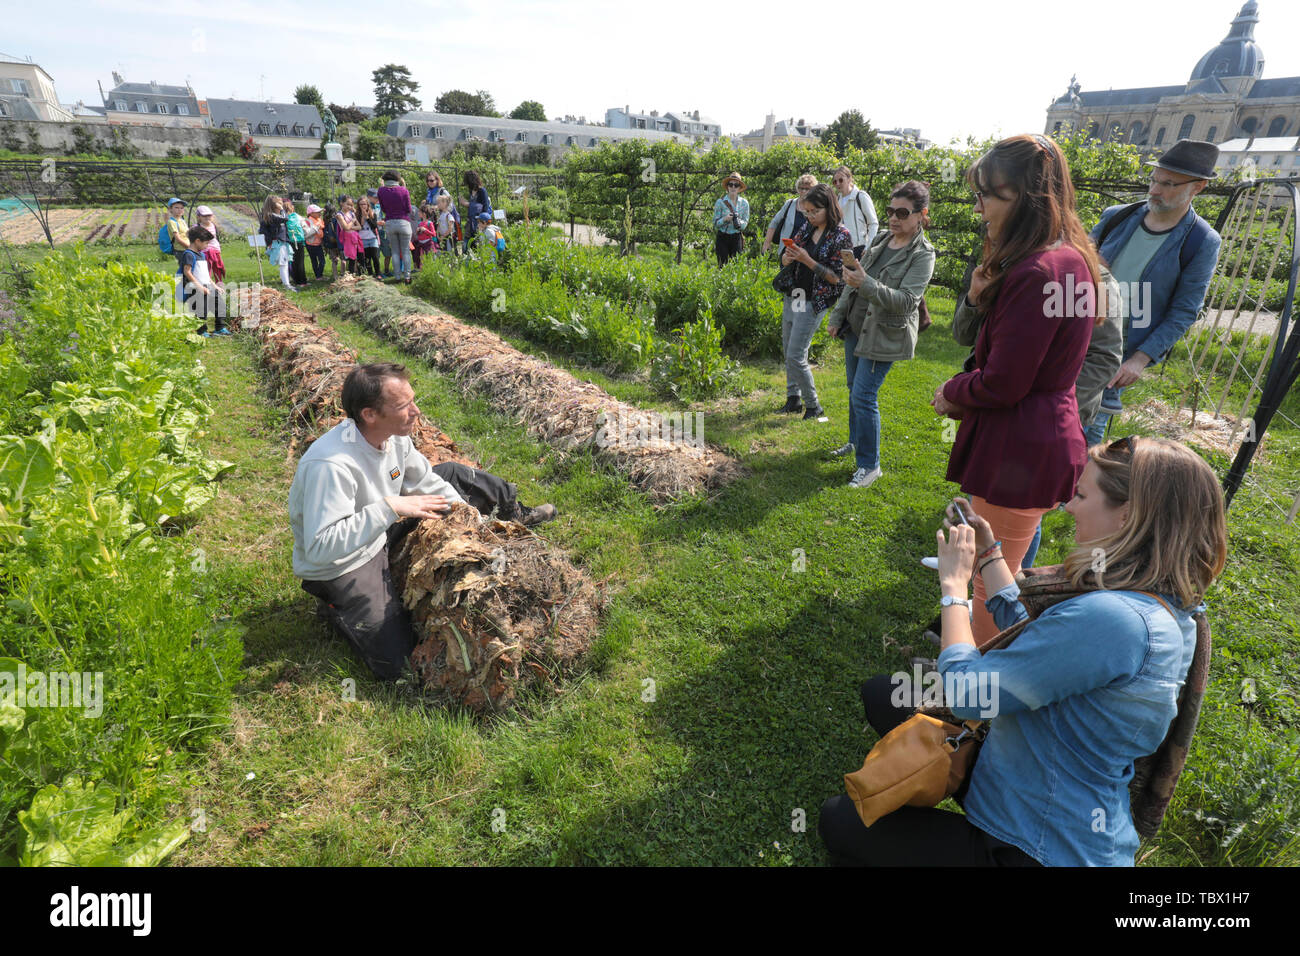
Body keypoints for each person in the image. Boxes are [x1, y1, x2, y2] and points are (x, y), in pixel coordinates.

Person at [819, 437, 1227, 866]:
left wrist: (954, 591)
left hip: (1041, 842)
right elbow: (1040, 639)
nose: (1068, 506)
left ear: (1128, 515)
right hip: (1027, 773)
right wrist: (988, 555)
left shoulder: (1117, 620)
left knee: (840, 822)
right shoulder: (1162, 603)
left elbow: (968, 694)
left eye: (1083, 495)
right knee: (885, 694)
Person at [931, 134, 1102, 646]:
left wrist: (954, 389)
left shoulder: (1037, 271)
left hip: (1019, 447)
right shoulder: (1067, 260)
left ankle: (972, 700)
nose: (979, 208)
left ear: (1029, 199)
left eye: (991, 196)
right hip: (1039, 435)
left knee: (988, 578)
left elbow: (1005, 381)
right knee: (1001, 568)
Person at [288, 363, 558, 681]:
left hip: (383, 524)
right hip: (343, 560)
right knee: (399, 665)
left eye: (412, 400)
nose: (416, 411)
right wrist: (390, 507)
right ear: (370, 414)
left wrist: (468, 518)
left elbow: (426, 482)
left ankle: (514, 513)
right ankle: (335, 607)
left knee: (456, 476)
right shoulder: (331, 465)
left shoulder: (395, 436)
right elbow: (321, 548)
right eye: (403, 406)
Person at [1084, 139, 1223, 447]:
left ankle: (1074, 495)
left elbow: (1185, 310)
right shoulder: (1116, 216)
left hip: (1117, 351)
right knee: (1044, 415)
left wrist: (1140, 359)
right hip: (1076, 329)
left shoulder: (1201, 241)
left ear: (1198, 187)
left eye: (1168, 184)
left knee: (1088, 434)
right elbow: (1076, 264)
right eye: (1154, 180)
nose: (1154, 191)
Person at [827, 181, 936, 489]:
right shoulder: (882, 239)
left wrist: (866, 284)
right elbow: (853, 281)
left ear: (921, 215)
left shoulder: (923, 254)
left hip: (884, 333)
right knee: (853, 388)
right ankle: (854, 441)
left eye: (903, 212)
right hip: (856, 326)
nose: (894, 217)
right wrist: (838, 315)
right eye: (890, 210)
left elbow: (906, 301)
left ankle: (870, 464)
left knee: (864, 394)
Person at [778, 183, 852, 420]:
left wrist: (807, 260)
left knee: (796, 353)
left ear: (828, 208)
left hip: (815, 300)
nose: (809, 216)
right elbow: (787, 255)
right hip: (795, 294)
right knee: (789, 347)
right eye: (807, 212)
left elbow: (836, 278)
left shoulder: (841, 236)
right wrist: (787, 258)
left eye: (814, 212)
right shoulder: (807, 229)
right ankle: (793, 399)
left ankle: (814, 406)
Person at [178, 225, 228, 337]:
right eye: (206, 243)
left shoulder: (201, 255)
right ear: (197, 241)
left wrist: (215, 286)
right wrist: (200, 287)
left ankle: (220, 328)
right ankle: (202, 331)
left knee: (219, 305)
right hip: (196, 288)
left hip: (207, 286)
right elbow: (187, 272)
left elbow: (205, 273)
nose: (207, 246)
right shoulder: (189, 254)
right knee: (201, 310)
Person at [761, 174, 816, 255]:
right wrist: (767, 243)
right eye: (801, 188)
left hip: (807, 253)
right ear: (798, 189)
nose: (804, 191)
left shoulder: (816, 207)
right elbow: (774, 223)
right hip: (786, 251)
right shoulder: (790, 204)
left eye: (807, 189)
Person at [831, 166, 879, 258]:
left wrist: (868, 247)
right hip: (843, 250)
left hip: (861, 248)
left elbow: (873, 223)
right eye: (835, 181)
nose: (837, 184)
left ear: (849, 179)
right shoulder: (837, 200)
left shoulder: (861, 196)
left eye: (841, 180)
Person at [377, 170, 414, 284]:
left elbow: (383, 208)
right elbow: (408, 209)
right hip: (403, 222)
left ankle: (397, 277)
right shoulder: (403, 190)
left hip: (390, 223)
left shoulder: (381, 190)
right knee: (406, 251)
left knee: (395, 252)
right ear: (397, 179)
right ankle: (407, 277)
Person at [260, 195, 296, 291]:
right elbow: (285, 219)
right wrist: (282, 210)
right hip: (278, 242)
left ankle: (287, 283)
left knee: (285, 263)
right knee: (283, 264)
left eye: (281, 202)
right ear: (273, 205)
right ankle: (286, 284)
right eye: (279, 203)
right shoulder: (272, 216)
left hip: (283, 242)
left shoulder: (277, 215)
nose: (281, 204)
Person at [460, 170, 491, 254]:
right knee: (468, 243)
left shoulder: (482, 191)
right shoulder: (471, 191)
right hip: (471, 221)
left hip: (480, 222)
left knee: (478, 244)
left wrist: (482, 222)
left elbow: (485, 207)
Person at [194, 205, 225, 284]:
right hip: (204, 252)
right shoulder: (197, 227)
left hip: (215, 250)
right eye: (204, 216)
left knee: (217, 268)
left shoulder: (213, 226)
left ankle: (218, 283)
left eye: (209, 215)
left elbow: (215, 238)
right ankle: (207, 284)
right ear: (199, 217)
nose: (207, 218)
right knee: (206, 270)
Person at [284, 198, 309, 286]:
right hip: (299, 241)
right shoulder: (297, 216)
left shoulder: (283, 218)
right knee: (300, 262)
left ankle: (296, 280)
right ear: (292, 207)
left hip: (290, 242)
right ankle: (303, 281)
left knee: (293, 261)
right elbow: (305, 227)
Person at [337, 196, 363, 276]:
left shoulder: (351, 213)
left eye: (351, 205)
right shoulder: (339, 215)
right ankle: (350, 276)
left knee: (356, 257)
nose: (350, 207)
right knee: (350, 258)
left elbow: (359, 227)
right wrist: (352, 221)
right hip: (346, 240)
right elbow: (345, 227)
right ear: (342, 203)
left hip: (354, 238)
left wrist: (350, 227)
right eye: (348, 204)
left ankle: (355, 274)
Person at [357, 196, 382, 277]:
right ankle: (370, 274)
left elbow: (374, 226)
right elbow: (358, 228)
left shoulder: (373, 213)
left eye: (364, 204)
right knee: (367, 259)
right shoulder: (356, 215)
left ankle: (378, 274)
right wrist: (362, 219)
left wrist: (367, 217)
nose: (363, 206)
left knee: (375, 257)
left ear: (367, 205)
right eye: (360, 204)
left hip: (372, 239)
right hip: (363, 239)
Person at [304, 203, 326, 281]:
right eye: (317, 212)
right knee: (314, 261)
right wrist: (317, 227)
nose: (320, 213)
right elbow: (307, 233)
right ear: (311, 213)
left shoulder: (318, 219)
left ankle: (319, 275)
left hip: (318, 243)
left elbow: (322, 226)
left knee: (322, 261)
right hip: (311, 244)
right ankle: (318, 276)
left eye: (320, 211)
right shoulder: (308, 221)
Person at [165, 198, 190, 267]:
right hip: (181, 250)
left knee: (188, 269)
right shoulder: (172, 222)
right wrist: (189, 247)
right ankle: (178, 278)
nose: (180, 210)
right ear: (170, 209)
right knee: (183, 269)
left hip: (187, 248)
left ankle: (183, 278)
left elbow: (187, 234)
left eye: (182, 208)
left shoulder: (182, 220)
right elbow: (178, 239)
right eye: (176, 208)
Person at [413, 204, 438, 271]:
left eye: (419, 212)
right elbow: (418, 235)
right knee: (421, 258)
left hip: (428, 244)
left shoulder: (429, 223)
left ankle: (431, 269)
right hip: (421, 244)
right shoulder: (420, 223)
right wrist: (418, 231)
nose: (418, 213)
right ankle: (422, 270)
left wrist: (425, 230)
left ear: (424, 214)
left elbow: (434, 234)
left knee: (429, 257)